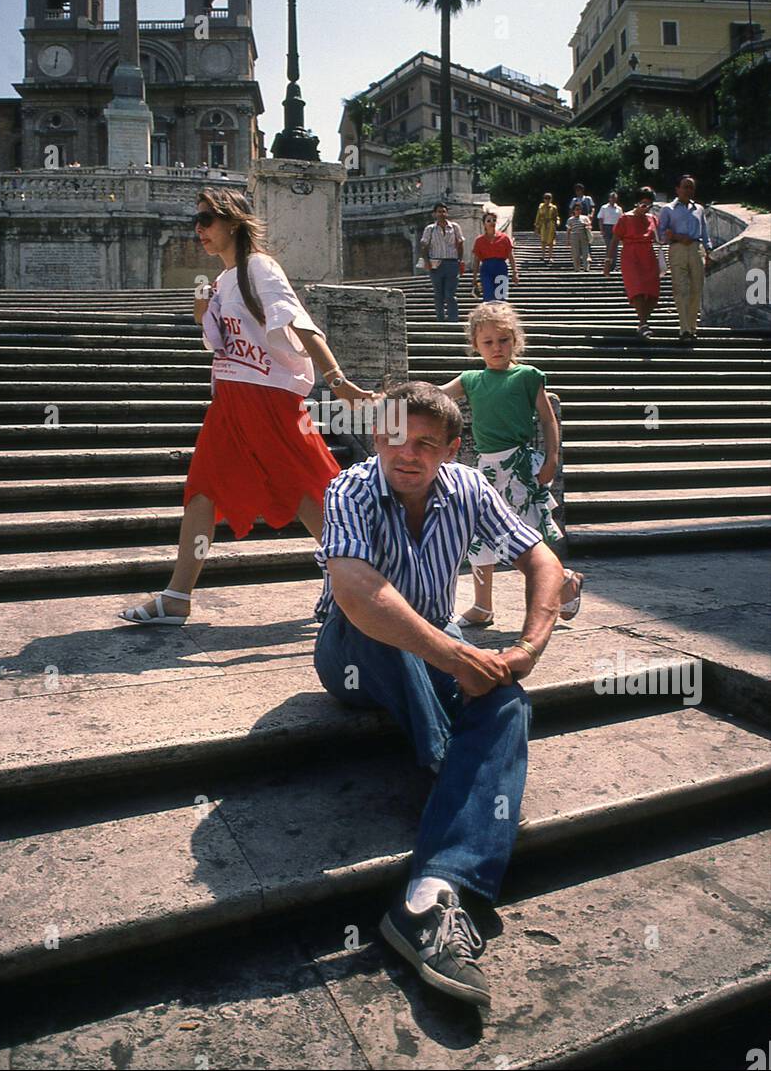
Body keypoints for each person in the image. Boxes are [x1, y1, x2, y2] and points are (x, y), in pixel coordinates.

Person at [313, 380, 565, 1009]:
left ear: (451, 451)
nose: (408, 452)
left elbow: (544, 562)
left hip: (435, 642)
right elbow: (354, 589)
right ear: (376, 437)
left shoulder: (471, 488)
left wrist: (527, 650)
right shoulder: (350, 487)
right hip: (354, 650)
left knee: (507, 699)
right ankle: (453, 773)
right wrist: (459, 657)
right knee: (391, 618)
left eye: (427, 443)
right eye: (395, 435)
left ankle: (432, 895)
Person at [120, 188, 375, 624]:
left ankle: (365, 580)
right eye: (196, 221)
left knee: (305, 490)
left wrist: (337, 379)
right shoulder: (221, 281)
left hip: (266, 396)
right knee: (202, 489)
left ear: (233, 221)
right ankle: (177, 596)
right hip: (232, 397)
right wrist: (205, 314)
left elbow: (297, 322)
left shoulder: (260, 266)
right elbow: (222, 345)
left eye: (207, 220)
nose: (199, 229)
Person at [440, 302, 583, 628]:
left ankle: (564, 581)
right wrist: (398, 396)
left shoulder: (527, 376)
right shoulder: (471, 379)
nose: (496, 348)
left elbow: (548, 421)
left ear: (515, 341)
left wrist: (552, 458)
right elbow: (437, 395)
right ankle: (482, 606)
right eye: (488, 342)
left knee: (530, 535)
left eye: (503, 340)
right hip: (487, 471)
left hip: (521, 469)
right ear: (475, 344)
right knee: (478, 535)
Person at [657, 174, 712, 343]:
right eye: (685, 186)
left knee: (696, 288)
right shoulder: (668, 209)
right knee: (680, 289)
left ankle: (692, 326)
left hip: (696, 249)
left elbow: (705, 232)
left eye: (691, 187)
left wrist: (709, 251)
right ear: (677, 189)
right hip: (677, 249)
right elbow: (660, 233)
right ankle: (684, 328)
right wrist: (676, 236)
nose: (688, 190)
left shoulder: (699, 209)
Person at [604, 185, 660, 339]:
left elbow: (659, 237)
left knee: (653, 293)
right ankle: (643, 323)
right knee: (638, 290)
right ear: (636, 203)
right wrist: (608, 260)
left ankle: (643, 320)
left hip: (648, 256)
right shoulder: (625, 218)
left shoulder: (653, 219)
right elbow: (615, 240)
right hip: (631, 256)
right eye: (643, 204)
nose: (645, 208)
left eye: (649, 205)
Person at [419, 201, 464, 322]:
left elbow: (460, 244)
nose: (442, 214)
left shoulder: (455, 227)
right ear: (434, 214)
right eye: (439, 211)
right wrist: (426, 261)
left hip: (452, 263)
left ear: (447, 213)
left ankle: (453, 319)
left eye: (444, 211)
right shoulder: (430, 229)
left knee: (450, 294)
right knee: (438, 294)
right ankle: (440, 318)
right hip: (436, 264)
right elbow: (424, 246)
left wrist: (460, 260)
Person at [471, 206, 518, 301]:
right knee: (488, 296)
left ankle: (501, 315)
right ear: (484, 224)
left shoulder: (504, 238)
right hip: (486, 268)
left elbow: (510, 256)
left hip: (500, 266)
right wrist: (475, 277)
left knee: (501, 296)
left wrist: (515, 272)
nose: (492, 222)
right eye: (488, 221)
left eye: (494, 220)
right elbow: (476, 260)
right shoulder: (479, 240)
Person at [597, 190, 623, 272]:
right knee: (609, 247)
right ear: (609, 199)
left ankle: (614, 265)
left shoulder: (619, 209)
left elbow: (622, 220)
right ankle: (608, 265)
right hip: (607, 227)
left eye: (615, 198)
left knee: (615, 247)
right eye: (612, 198)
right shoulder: (604, 207)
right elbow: (600, 218)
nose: (613, 200)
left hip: (616, 227)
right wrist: (601, 229)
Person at [534, 193, 560, 265]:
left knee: (551, 241)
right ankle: (543, 255)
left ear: (551, 199)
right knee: (543, 240)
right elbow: (538, 216)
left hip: (551, 225)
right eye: (546, 198)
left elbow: (556, 216)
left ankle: (550, 256)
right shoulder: (541, 207)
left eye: (549, 198)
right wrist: (537, 226)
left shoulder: (553, 207)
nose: (547, 200)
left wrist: (557, 222)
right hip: (543, 224)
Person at [565, 201, 593, 271]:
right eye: (577, 209)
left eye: (579, 209)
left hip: (583, 235)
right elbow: (568, 230)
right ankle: (577, 268)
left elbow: (590, 227)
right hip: (574, 236)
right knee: (575, 253)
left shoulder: (585, 218)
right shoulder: (570, 219)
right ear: (574, 210)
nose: (578, 211)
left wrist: (587, 225)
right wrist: (568, 240)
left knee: (585, 252)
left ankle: (586, 268)